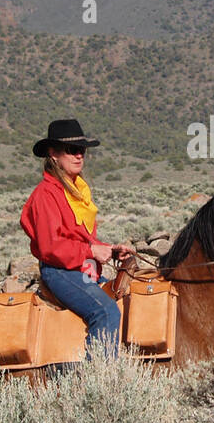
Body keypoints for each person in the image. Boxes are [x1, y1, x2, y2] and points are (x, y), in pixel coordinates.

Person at [21, 119, 134, 359]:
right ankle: (98, 382)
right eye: (72, 150)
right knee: (106, 313)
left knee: (128, 299)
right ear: (53, 154)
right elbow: (50, 247)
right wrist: (92, 252)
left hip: (80, 268)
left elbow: (79, 238)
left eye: (82, 150)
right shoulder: (45, 195)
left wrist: (109, 250)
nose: (79, 156)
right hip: (60, 270)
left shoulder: (76, 191)